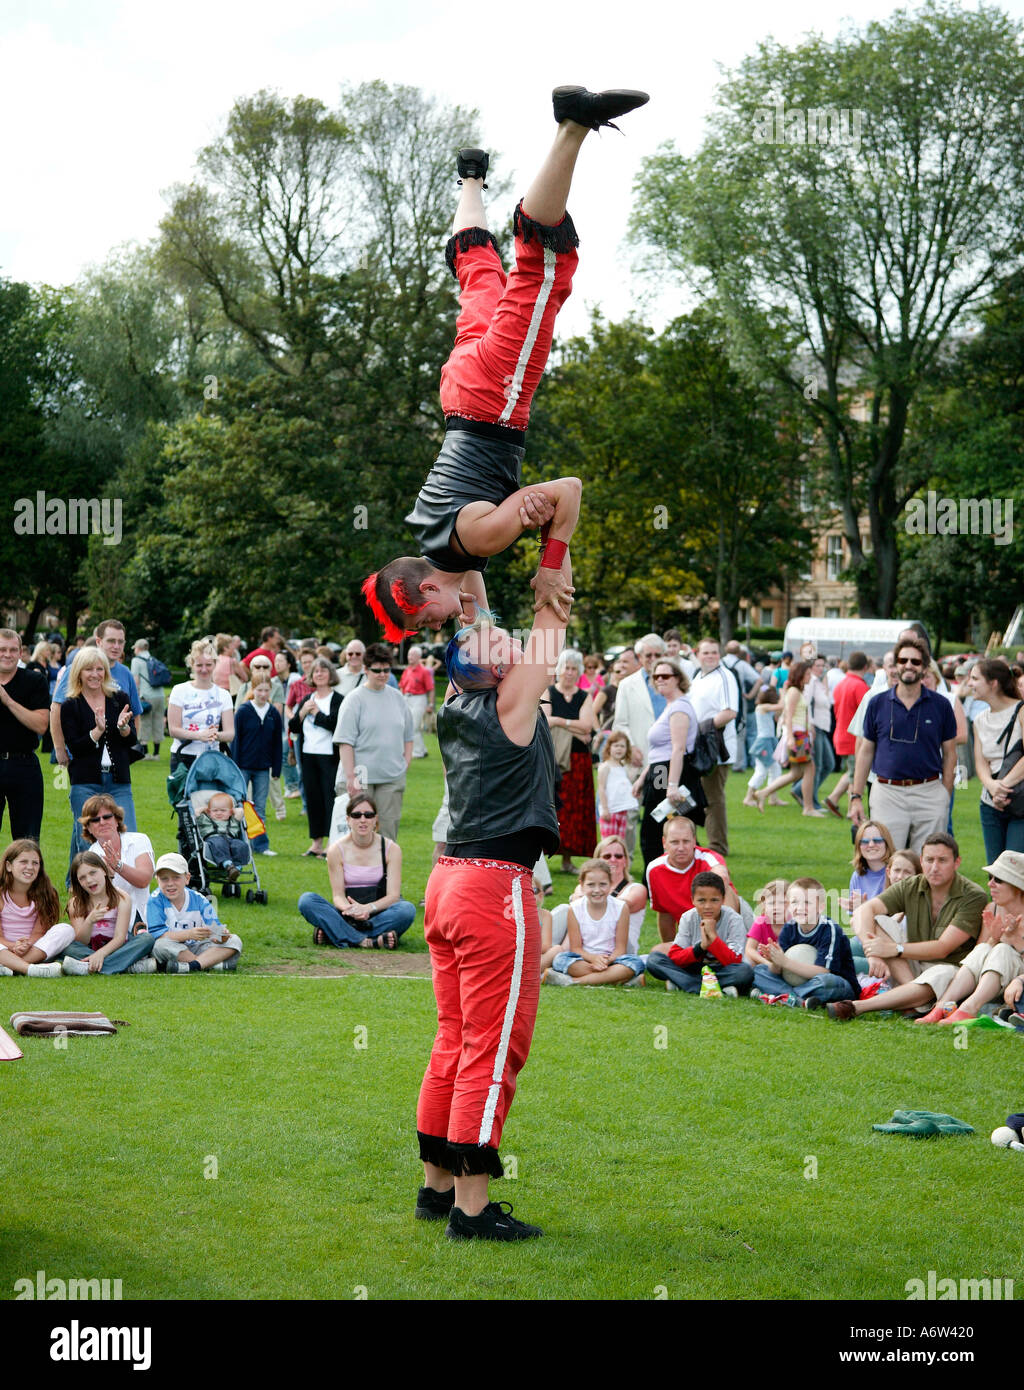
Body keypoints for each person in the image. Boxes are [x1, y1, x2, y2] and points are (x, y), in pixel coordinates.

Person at [364, 89, 650, 641]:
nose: (435, 628)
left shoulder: (480, 539)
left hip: (495, 400)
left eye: (425, 623)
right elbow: (476, 606)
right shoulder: (435, 541)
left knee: (543, 271)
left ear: (427, 592)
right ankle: (470, 179)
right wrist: (481, 622)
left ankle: (572, 123)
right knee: (479, 277)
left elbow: (568, 489)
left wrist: (551, 565)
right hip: (459, 394)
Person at [415, 554, 574, 1241]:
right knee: (493, 1045)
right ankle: (472, 1210)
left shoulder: (459, 695)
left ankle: (435, 1188)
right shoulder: (511, 703)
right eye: (498, 642)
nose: (505, 639)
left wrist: (466, 546)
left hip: (448, 879)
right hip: (492, 889)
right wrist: (554, 552)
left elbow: (474, 605)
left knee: (454, 1037)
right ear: (496, 665)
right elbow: (551, 619)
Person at [827, 832, 987, 1020]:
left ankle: (856, 1007)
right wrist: (873, 953)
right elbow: (864, 911)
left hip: (951, 969)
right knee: (878, 921)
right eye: (929, 860)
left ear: (956, 862)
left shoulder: (973, 895)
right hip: (910, 965)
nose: (934, 867)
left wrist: (895, 949)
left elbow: (943, 948)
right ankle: (912, 996)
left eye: (942, 860)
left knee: (940, 974)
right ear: (921, 861)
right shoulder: (911, 885)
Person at [848, 636, 957, 853]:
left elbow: (950, 754)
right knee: (887, 861)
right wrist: (856, 796)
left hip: (929, 792)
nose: (908, 665)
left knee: (928, 863)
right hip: (887, 792)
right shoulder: (877, 703)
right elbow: (865, 751)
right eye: (903, 660)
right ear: (896, 665)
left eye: (915, 661)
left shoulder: (941, 705)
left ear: (924, 667)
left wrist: (944, 794)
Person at [914, 850, 1024, 1023]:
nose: (990, 884)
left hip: (1016, 987)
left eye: (998, 880)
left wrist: (1016, 941)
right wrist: (994, 938)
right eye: (990, 878)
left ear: (1017, 887)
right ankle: (942, 1006)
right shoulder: (992, 909)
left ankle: (968, 1009)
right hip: (990, 984)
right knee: (984, 947)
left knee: (1003, 949)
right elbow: (980, 957)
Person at [299, 793, 416, 949]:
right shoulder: (336, 850)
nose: (363, 819)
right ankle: (368, 941)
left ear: (375, 819)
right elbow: (338, 896)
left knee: (406, 910)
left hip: (378, 913)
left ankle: (336, 932)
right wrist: (351, 910)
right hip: (348, 914)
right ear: (348, 819)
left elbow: (393, 896)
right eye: (356, 815)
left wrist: (368, 908)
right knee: (307, 900)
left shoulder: (391, 849)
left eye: (368, 815)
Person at [60, 647, 140, 865]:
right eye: (89, 669)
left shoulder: (119, 699)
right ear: (79, 672)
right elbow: (75, 748)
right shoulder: (70, 705)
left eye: (99, 669)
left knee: (128, 837)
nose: (95, 674)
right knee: (87, 842)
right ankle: (82, 882)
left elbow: (131, 739)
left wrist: (123, 728)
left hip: (118, 781)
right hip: (85, 782)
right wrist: (97, 731)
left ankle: (124, 883)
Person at [334, 643, 413, 842]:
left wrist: (405, 763)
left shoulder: (398, 698)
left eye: (386, 670)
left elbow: (408, 737)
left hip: (391, 777)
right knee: (359, 836)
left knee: (387, 834)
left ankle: (385, 865)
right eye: (377, 670)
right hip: (361, 777)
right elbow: (345, 742)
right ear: (366, 670)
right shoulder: (354, 699)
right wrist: (351, 777)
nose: (382, 674)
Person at [749, 877, 859, 1008]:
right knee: (759, 971)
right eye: (794, 902)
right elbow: (778, 971)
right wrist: (775, 961)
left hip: (834, 984)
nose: (800, 908)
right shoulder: (789, 928)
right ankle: (798, 1000)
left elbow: (823, 972)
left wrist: (785, 962)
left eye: (807, 902)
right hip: (799, 982)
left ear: (820, 907)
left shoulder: (829, 929)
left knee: (827, 981)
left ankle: (785, 996)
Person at [50, 619, 144, 770]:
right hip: (82, 759)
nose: (116, 646)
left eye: (120, 642)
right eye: (111, 641)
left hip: (116, 763)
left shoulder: (126, 673)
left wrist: (129, 748)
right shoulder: (76, 669)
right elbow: (56, 708)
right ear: (99, 641)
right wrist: (59, 748)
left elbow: (135, 714)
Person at [633, 656, 699, 868]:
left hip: (667, 773)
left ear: (677, 678)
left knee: (654, 832)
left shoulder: (679, 708)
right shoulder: (671, 706)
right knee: (661, 830)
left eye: (665, 676)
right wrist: (643, 778)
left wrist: (672, 785)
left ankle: (655, 878)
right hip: (660, 771)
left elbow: (678, 749)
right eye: (656, 676)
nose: (659, 679)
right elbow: (659, 751)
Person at [645, 870, 753, 996]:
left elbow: (734, 960)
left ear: (723, 900)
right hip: (694, 967)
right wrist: (701, 947)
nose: (708, 906)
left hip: (723, 968)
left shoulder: (734, 919)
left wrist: (713, 938)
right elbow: (676, 956)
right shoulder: (688, 917)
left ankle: (685, 983)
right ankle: (712, 986)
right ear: (693, 900)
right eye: (701, 900)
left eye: (714, 900)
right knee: (654, 960)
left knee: (745, 972)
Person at [544, 857, 645, 986]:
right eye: (591, 885)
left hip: (612, 960)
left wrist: (605, 961)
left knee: (635, 963)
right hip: (584, 959)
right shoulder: (575, 908)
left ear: (610, 883)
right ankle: (616, 978)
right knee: (560, 960)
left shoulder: (621, 907)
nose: (597, 890)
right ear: (582, 885)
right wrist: (593, 959)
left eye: (602, 884)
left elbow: (620, 949)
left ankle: (573, 981)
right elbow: (576, 948)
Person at [543, 648, 596, 873]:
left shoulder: (585, 696)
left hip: (579, 761)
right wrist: (572, 726)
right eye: (566, 668)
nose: (570, 672)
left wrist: (559, 722)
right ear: (559, 669)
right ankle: (541, 859)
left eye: (574, 668)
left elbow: (588, 727)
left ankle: (568, 859)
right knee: (553, 807)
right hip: (553, 760)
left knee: (576, 810)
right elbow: (545, 721)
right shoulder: (548, 692)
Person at [645, 815, 740, 941]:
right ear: (664, 843)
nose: (681, 848)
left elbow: (722, 876)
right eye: (674, 842)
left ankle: (729, 943)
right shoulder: (654, 869)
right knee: (658, 951)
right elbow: (664, 913)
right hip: (692, 932)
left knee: (724, 888)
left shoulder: (707, 859)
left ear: (694, 841)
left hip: (728, 922)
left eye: (686, 841)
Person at [60, 851, 156, 975]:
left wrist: (101, 954)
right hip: (89, 948)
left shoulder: (122, 898)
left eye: (93, 873)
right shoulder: (76, 903)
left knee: (146, 939)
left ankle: (88, 967)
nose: (89, 880)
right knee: (67, 947)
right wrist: (89, 921)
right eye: (82, 878)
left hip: (117, 948)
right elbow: (81, 942)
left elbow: (120, 938)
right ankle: (125, 966)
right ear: (78, 881)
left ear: (104, 871)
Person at [148, 852, 243, 973]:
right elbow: (157, 935)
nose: (170, 883)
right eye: (164, 879)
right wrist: (188, 934)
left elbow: (214, 931)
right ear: (157, 880)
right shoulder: (155, 900)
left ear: (187, 878)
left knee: (234, 940)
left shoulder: (199, 899)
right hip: (174, 948)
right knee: (159, 946)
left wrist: (221, 936)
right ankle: (209, 964)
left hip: (198, 946)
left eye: (176, 877)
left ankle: (191, 966)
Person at [688, 639, 740, 855]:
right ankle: (692, 840)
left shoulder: (725, 677)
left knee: (713, 798)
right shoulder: (698, 676)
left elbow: (729, 712)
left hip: (715, 748)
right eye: (706, 652)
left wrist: (701, 728)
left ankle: (717, 845)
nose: (710, 656)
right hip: (696, 746)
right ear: (698, 655)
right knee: (691, 796)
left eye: (714, 652)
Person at [969, 658, 1024, 860]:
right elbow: (980, 762)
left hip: (1019, 801)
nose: (969, 684)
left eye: (975, 678)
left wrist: (1002, 787)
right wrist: (992, 787)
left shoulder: (1021, 711)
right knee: (994, 869)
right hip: (990, 803)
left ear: (993, 683)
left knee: (1014, 867)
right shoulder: (979, 720)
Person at [754, 662, 823, 817]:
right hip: (797, 735)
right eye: (807, 674)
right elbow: (788, 716)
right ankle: (808, 808)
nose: (809, 677)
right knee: (809, 769)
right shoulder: (794, 692)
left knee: (796, 773)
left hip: (799, 734)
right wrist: (791, 737)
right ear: (800, 675)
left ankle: (764, 793)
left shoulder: (796, 691)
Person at [0, 627, 49, 841]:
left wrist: (7, 700)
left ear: (21, 653)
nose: (7, 654)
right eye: (2, 649)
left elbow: (41, 725)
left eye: (13, 650)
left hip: (23, 764)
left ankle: (24, 866)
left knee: (27, 840)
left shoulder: (34, 681)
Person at [79, 793, 155, 929]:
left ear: (117, 820)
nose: (102, 822)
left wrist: (118, 865)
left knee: (146, 939)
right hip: (112, 922)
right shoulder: (91, 857)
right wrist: (109, 877)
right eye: (95, 820)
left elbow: (144, 880)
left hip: (144, 915)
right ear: (89, 828)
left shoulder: (139, 840)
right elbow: (97, 901)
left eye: (107, 817)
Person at [291, 657, 342, 857]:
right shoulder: (307, 699)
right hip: (308, 755)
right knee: (312, 799)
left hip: (329, 757)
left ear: (331, 674)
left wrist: (317, 713)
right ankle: (316, 843)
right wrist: (302, 712)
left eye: (323, 671)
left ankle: (331, 843)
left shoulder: (338, 699)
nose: (319, 674)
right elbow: (293, 727)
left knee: (329, 798)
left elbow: (334, 724)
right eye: (316, 672)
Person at [0, 840, 71, 977]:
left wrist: (27, 945)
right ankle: (29, 969)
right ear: (9, 866)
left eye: (35, 863)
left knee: (66, 929)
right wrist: (14, 946)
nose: (30, 867)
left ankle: (10, 966)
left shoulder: (46, 894)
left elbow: (39, 933)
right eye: (23, 862)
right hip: (4, 948)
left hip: (33, 948)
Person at [167, 640, 235, 774]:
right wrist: (199, 735)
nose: (204, 669)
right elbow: (173, 730)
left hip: (212, 757)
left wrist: (214, 735)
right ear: (192, 664)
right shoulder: (179, 690)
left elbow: (230, 734)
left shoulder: (224, 695)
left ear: (215, 664)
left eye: (208, 664)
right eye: (199, 665)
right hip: (183, 757)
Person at [231, 678, 283, 855]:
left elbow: (277, 743)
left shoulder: (273, 713)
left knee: (260, 807)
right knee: (239, 804)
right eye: (259, 690)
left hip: (263, 767)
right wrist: (235, 766)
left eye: (266, 690)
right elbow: (236, 740)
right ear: (253, 690)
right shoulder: (243, 711)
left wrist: (276, 768)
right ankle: (237, 843)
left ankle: (260, 845)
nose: (263, 694)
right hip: (243, 766)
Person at [825, 650, 871, 815]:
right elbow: (867, 714)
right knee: (856, 775)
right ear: (865, 667)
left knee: (852, 771)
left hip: (841, 734)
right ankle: (853, 811)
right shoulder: (860, 686)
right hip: (853, 738)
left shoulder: (841, 684)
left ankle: (833, 799)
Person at [611, 634, 667, 769]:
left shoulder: (674, 681)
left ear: (664, 656)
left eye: (657, 655)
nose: (653, 659)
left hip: (667, 753)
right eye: (648, 655)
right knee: (642, 784)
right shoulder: (626, 685)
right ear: (640, 657)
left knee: (664, 782)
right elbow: (620, 723)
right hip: (639, 756)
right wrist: (631, 747)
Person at [743, 685, 784, 807]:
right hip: (764, 743)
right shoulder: (761, 707)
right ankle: (748, 798)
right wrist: (783, 693)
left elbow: (779, 711)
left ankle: (773, 798)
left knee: (774, 769)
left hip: (768, 741)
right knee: (761, 772)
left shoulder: (765, 708)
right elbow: (781, 706)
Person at [196, 792, 251, 880]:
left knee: (241, 845)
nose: (219, 813)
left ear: (230, 812)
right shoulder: (206, 820)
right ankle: (228, 865)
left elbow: (240, 811)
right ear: (209, 812)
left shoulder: (232, 821)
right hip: (213, 839)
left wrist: (232, 811)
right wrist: (205, 809)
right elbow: (196, 813)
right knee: (219, 843)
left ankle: (236, 868)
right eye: (215, 810)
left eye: (223, 810)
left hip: (230, 840)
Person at [844, 820, 895, 913]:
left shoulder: (896, 873)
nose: (871, 845)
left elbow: (897, 914)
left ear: (887, 843)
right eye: (865, 841)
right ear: (859, 846)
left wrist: (865, 907)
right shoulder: (857, 876)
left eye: (877, 840)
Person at [597, 732, 639, 843]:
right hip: (610, 811)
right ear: (609, 747)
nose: (619, 749)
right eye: (616, 745)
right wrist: (605, 809)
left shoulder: (623, 767)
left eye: (622, 746)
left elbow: (625, 784)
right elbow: (601, 788)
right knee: (608, 841)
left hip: (622, 810)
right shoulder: (605, 767)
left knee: (620, 841)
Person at [130, 639, 166, 760]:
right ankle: (156, 753)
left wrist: (135, 696)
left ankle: (145, 753)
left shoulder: (136, 660)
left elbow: (136, 680)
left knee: (145, 723)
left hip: (146, 696)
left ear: (138, 648)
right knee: (158, 722)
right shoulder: (153, 659)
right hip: (160, 695)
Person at [400, 645, 435, 759]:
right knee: (406, 725)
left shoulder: (424, 671)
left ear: (419, 657)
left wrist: (431, 704)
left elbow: (431, 689)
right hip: (406, 698)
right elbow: (402, 686)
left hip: (419, 699)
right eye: (409, 654)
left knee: (414, 726)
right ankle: (422, 749)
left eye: (413, 655)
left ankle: (418, 752)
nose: (410, 657)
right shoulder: (407, 670)